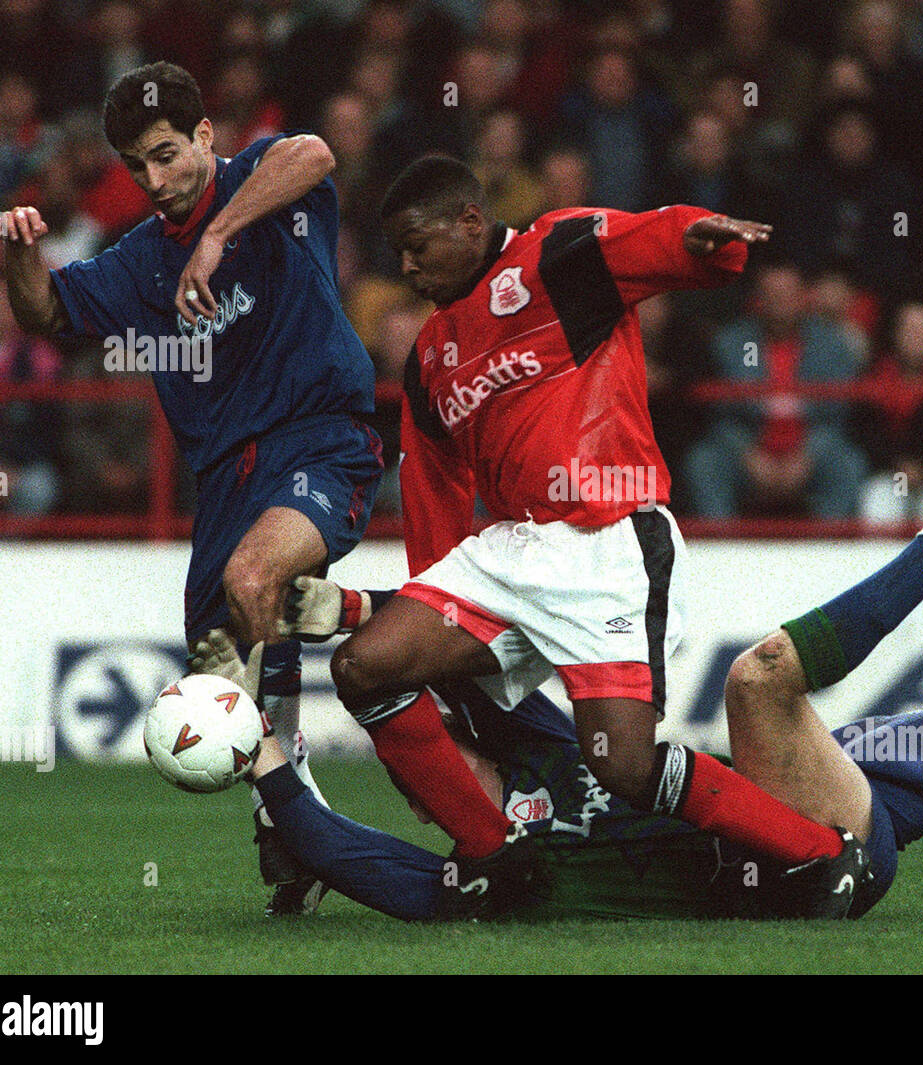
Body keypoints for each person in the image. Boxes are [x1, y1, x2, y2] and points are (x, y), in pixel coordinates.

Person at [194, 392, 923, 921]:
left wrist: (350, 607)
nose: (435, 743)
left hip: (801, 783)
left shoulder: (521, 741)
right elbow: (330, 843)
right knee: (759, 679)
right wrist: (254, 744)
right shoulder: (490, 876)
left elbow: (487, 629)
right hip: (798, 858)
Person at [322, 152, 874, 919]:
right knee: (365, 667)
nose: (408, 266)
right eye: (398, 254)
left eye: (419, 245)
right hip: (509, 552)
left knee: (623, 765)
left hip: (608, 539)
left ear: (471, 223)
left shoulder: (554, 257)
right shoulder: (431, 356)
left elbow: (644, 242)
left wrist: (700, 240)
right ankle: (495, 854)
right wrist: (430, 590)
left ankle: (823, 853)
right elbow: (434, 487)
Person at [0, 61, 383, 915]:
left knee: (255, 583)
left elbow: (314, 152)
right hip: (227, 486)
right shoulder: (136, 263)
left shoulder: (268, 181)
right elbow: (44, 314)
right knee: (224, 670)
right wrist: (21, 258)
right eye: (138, 167)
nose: (157, 181)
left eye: (169, 155)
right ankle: (294, 814)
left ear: (208, 135)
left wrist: (216, 236)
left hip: (323, 437)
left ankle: (300, 807)